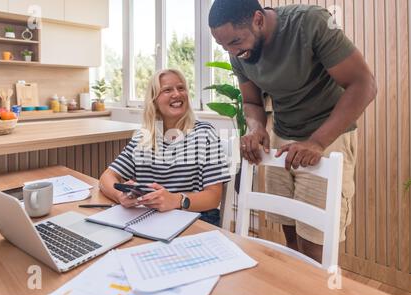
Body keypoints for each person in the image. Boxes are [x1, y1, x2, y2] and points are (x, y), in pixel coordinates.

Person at [209, 0, 377, 262]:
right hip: (282, 137)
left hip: (326, 137)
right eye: (224, 46)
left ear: (258, 19)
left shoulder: (310, 22)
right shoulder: (238, 51)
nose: (231, 51)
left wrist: (317, 142)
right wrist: (255, 128)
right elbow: (252, 102)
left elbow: (364, 84)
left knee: (315, 247)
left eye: (235, 42)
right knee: (291, 238)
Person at [99, 69, 230, 226]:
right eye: (167, 90)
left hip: (195, 219)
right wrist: (120, 196)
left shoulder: (205, 133)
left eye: (181, 88)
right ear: (154, 100)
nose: (177, 94)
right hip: (151, 219)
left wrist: (176, 200)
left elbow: (213, 197)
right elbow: (107, 177)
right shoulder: (145, 137)